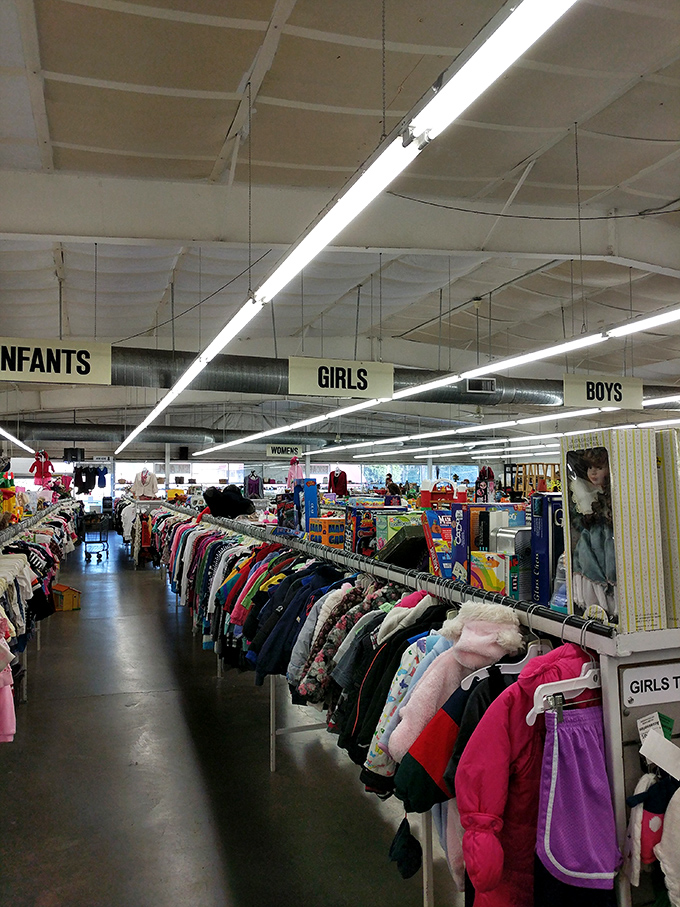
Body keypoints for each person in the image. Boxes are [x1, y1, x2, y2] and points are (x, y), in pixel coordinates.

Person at [566, 447, 617, 623]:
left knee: (608, 566)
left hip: (605, 541)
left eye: (599, 467)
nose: (593, 472)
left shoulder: (611, 496)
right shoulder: (587, 492)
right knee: (588, 563)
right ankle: (600, 603)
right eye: (590, 468)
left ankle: (609, 602)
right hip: (593, 540)